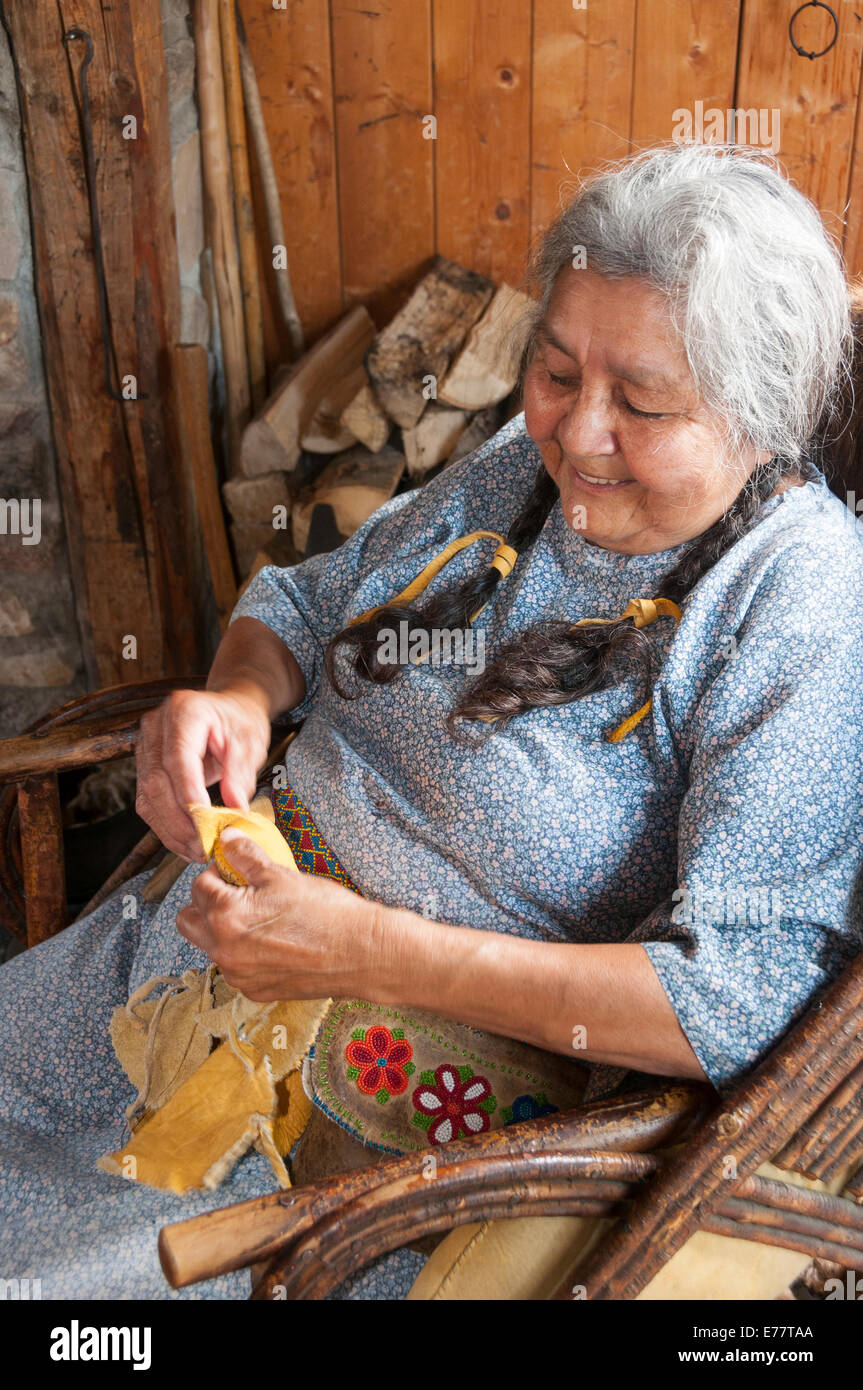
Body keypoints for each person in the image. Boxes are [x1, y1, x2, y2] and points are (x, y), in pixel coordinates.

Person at [1, 142, 861, 1300]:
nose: (576, 434)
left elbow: (724, 1005)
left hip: (359, 1155)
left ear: (760, 414)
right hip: (160, 983)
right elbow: (303, 606)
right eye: (554, 371)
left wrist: (366, 950)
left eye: (643, 403)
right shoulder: (521, 468)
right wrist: (235, 700)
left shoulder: (798, 606)